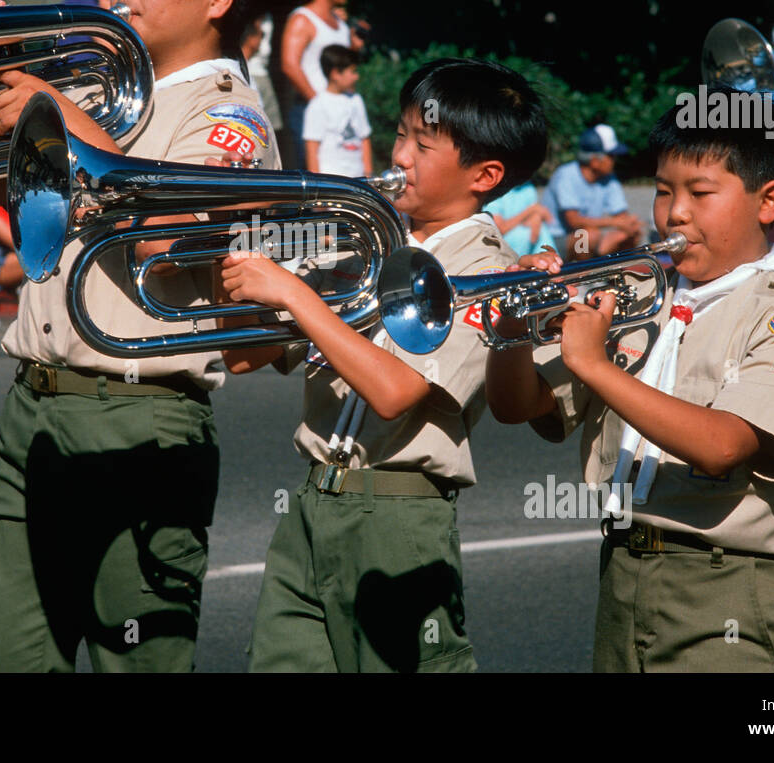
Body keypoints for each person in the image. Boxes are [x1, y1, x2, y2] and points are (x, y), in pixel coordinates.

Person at [0, 0, 280, 672]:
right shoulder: (100, 91)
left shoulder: (230, 117)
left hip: (141, 423)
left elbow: (168, 230)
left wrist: (54, 108)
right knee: (2, 659)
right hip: (33, 412)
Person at [488, 88, 774, 671]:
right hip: (623, 571)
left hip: (726, 586)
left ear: (769, 200)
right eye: (662, 190)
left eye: (700, 194)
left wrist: (594, 364)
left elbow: (723, 446)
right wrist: (510, 329)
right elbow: (519, 407)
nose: (674, 213)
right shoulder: (642, 295)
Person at [219, 58, 547, 672]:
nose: (400, 156)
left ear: (485, 174)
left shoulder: (490, 272)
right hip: (313, 503)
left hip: (398, 516)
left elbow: (397, 392)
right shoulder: (365, 239)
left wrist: (295, 294)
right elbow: (243, 357)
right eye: (399, 134)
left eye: (423, 144)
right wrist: (236, 241)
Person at [279, 0, 363, 168]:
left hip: (343, 113)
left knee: (342, 174)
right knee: (314, 183)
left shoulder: (341, 24)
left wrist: (354, 48)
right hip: (310, 111)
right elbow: (289, 64)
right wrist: (320, 103)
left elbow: (340, 67)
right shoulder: (302, 19)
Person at [542, 124, 644, 260]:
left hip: (589, 237)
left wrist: (629, 225)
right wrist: (615, 223)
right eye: (611, 156)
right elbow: (574, 221)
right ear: (595, 161)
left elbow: (622, 216)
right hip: (556, 239)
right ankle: (581, 274)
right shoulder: (566, 175)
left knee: (631, 233)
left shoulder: (609, 179)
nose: (615, 160)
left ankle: (611, 273)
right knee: (587, 236)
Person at [302, 44, 371, 178]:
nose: (356, 77)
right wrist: (317, 185)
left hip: (358, 179)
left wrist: (368, 174)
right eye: (352, 71)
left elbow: (364, 138)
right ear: (335, 74)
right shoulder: (317, 105)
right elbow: (312, 148)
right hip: (332, 182)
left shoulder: (356, 100)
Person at [484, 180, 556, 258]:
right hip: (500, 244)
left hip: (527, 239)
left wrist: (537, 217)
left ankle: (551, 262)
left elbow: (548, 218)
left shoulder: (527, 185)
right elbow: (498, 230)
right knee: (523, 234)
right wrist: (530, 211)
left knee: (542, 230)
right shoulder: (495, 188)